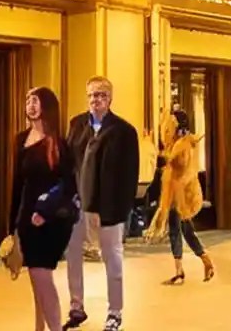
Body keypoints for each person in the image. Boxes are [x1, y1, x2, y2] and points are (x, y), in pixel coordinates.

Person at [64, 76, 140, 331]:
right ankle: (77, 307)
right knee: (73, 254)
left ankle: (115, 312)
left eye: (100, 95)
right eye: (91, 95)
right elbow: (68, 165)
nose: (95, 100)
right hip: (76, 205)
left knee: (113, 258)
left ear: (110, 98)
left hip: (109, 208)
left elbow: (129, 175)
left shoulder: (124, 131)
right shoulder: (76, 125)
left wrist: (118, 210)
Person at [10, 87, 79, 331]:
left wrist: (45, 213)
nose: (30, 105)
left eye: (35, 101)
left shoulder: (58, 144)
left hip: (50, 222)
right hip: (27, 220)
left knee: (42, 278)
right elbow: (18, 186)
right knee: (36, 281)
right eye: (28, 100)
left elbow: (69, 186)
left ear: (47, 106)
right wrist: (13, 227)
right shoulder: (21, 139)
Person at [146, 108, 214, 284]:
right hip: (177, 193)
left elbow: (180, 164)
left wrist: (167, 159)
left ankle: (190, 266)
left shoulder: (184, 144)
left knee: (180, 231)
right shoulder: (180, 142)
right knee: (182, 230)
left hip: (182, 195)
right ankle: (190, 265)